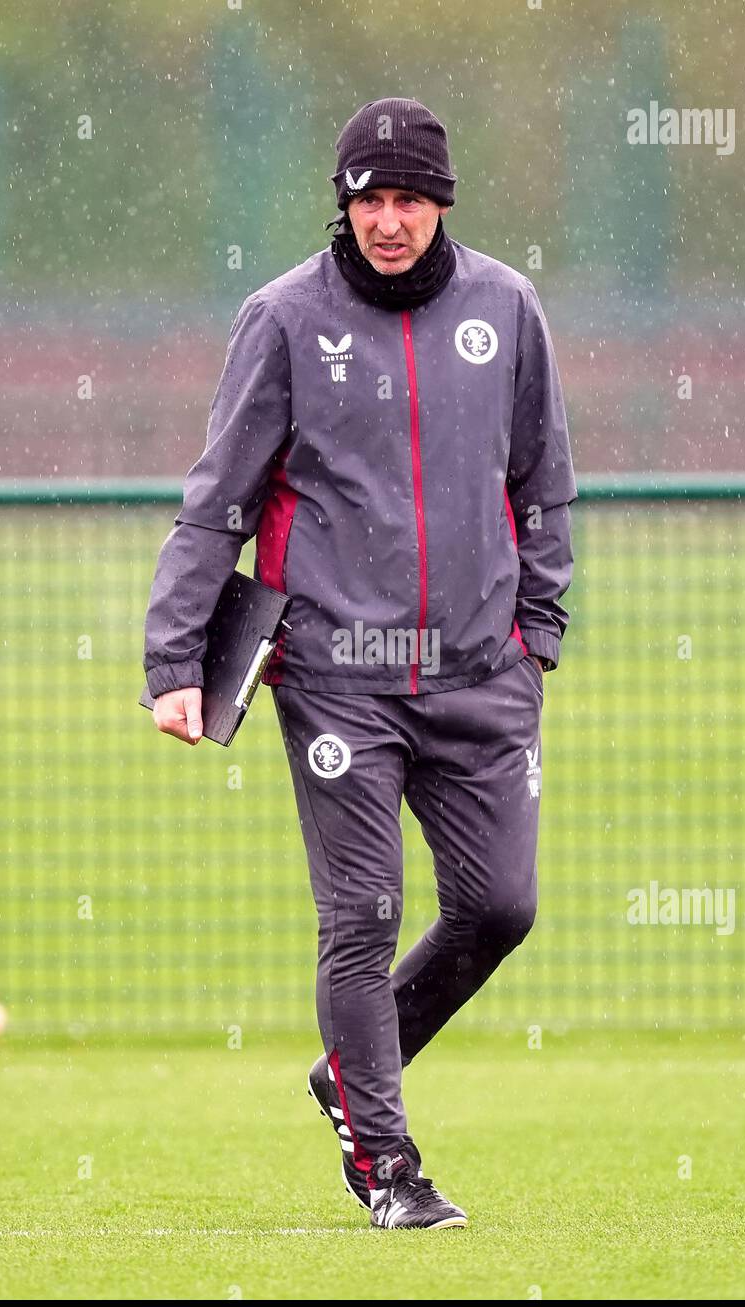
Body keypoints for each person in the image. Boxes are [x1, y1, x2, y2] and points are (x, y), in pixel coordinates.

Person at [143, 96, 577, 1231]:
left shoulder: (507, 308)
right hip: (338, 678)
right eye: (369, 199)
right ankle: (387, 1166)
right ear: (342, 204)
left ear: (442, 204)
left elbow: (542, 482)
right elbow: (218, 503)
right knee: (362, 915)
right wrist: (173, 657)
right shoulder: (283, 318)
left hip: (481, 672)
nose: (388, 220)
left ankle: (347, 1073)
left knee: (500, 905)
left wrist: (536, 634)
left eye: (409, 199)